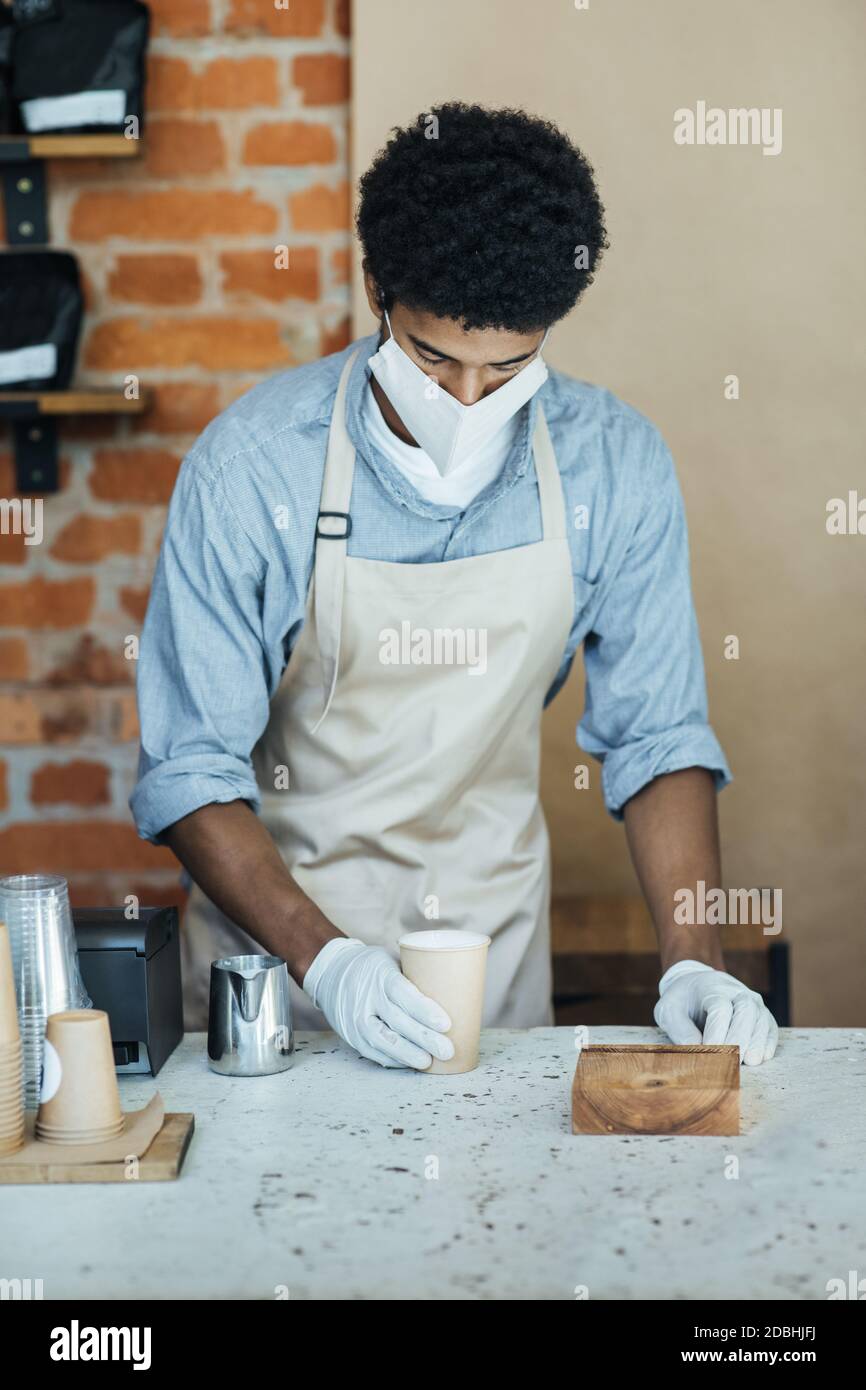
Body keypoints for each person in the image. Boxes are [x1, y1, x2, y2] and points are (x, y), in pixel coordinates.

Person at [131, 103, 777, 1069]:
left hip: (492, 978)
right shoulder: (255, 469)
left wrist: (695, 962)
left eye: (508, 368)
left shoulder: (614, 465)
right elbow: (190, 770)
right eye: (434, 359)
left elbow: (659, 735)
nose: (468, 402)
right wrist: (332, 966)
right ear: (376, 292)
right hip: (280, 999)